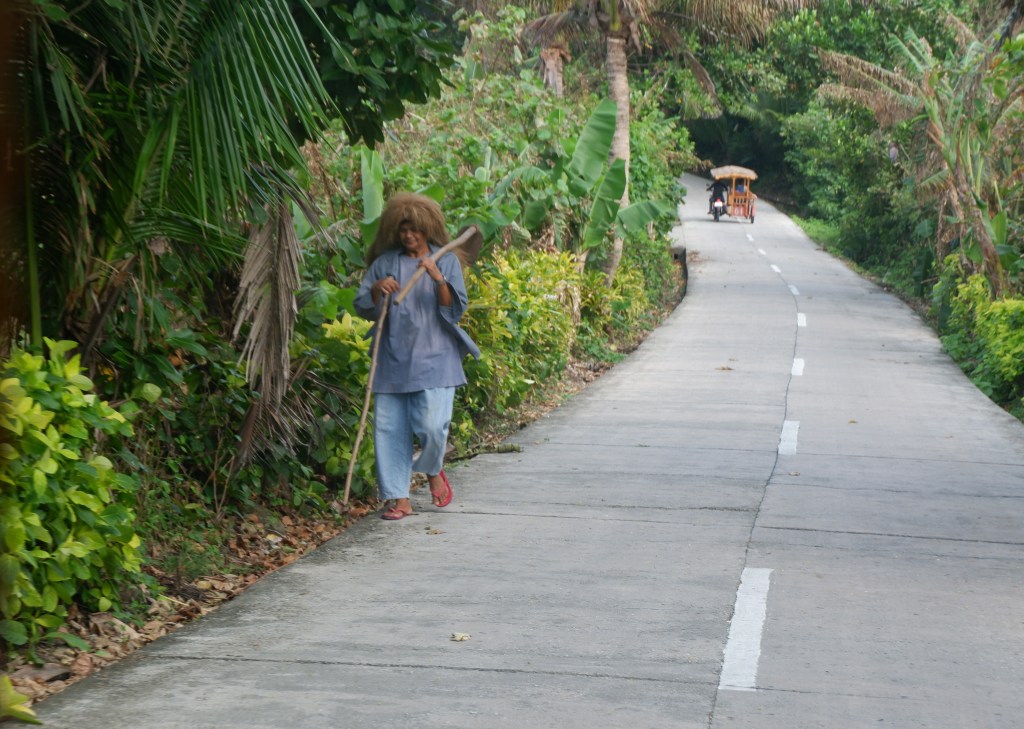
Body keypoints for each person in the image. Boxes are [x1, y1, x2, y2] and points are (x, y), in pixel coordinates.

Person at [354, 193, 480, 521]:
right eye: (403, 230)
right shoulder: (384, 263)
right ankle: (399, 499)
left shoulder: (446, 260)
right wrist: (376, 289)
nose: (409, 236)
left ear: (428, 229)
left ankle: (433, 468)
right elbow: (362, 306)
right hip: (392, 356)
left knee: (433, 426)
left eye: (415, 230)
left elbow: (455, 309)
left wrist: (437, 277)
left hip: (436, 357)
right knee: (388, 429)